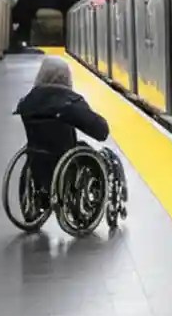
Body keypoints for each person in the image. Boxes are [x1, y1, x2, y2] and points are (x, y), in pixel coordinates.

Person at [14, 57, 110, 206]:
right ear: (66, 77)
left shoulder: (28, 101)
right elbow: (101, 132)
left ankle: (37, 201)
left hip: (37, 160)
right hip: (67, 160)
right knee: (96, 155)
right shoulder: (69, 102)